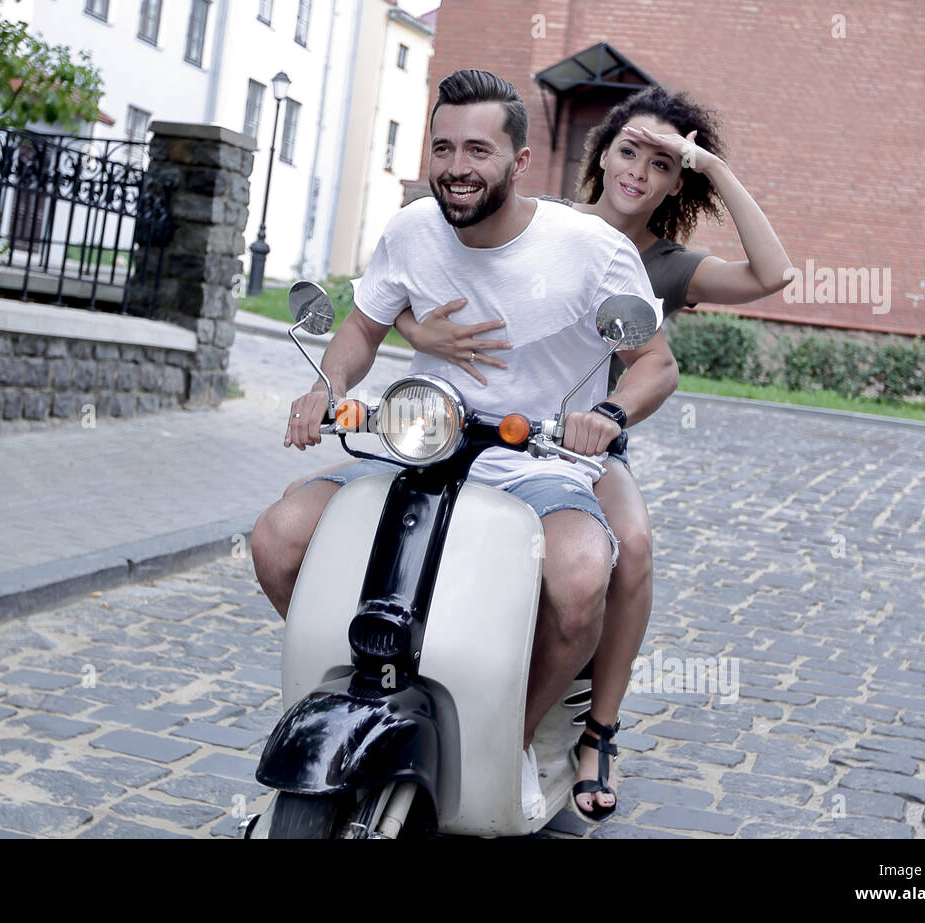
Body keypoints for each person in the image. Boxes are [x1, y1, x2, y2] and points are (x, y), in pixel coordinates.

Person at [250, 69, 679, 821]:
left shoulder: (591, 249)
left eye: (477, 149)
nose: (456, 166)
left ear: (518, 162)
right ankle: (362, 691)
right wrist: (329, 387)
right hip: (417, 440)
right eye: (442, 147)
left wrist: (607, 413)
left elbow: (656, 363)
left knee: (581, 579)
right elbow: (360, 328)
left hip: (536, 459)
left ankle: (504, 741)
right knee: (279, 539)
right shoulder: (411, 229)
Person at [389, 84, 793, 819]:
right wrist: (419, 334)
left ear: (677, 182)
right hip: (489, 428)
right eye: (630, 149)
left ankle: (596, 730)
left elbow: (773, 276)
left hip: (586, 441)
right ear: (601, 152)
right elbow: (419, 285)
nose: (641, 170)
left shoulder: (666, 265)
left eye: (664, 164)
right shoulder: (536, 222)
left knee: (629, 545)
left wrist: (713, 165)